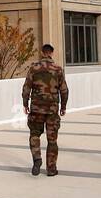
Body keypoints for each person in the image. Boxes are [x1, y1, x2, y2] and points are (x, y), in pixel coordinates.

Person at [21, 43, 68, 176]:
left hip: (36, 108)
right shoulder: (58, 69)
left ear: (42, 53)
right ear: (52, 53)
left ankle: (37, 158)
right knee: (52, 140)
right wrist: (63, 107)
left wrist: (25, 104)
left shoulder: (34, 68)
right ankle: (51, 169)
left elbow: (26, 88)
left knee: (34, 134)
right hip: (52, 110)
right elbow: (64, 90)